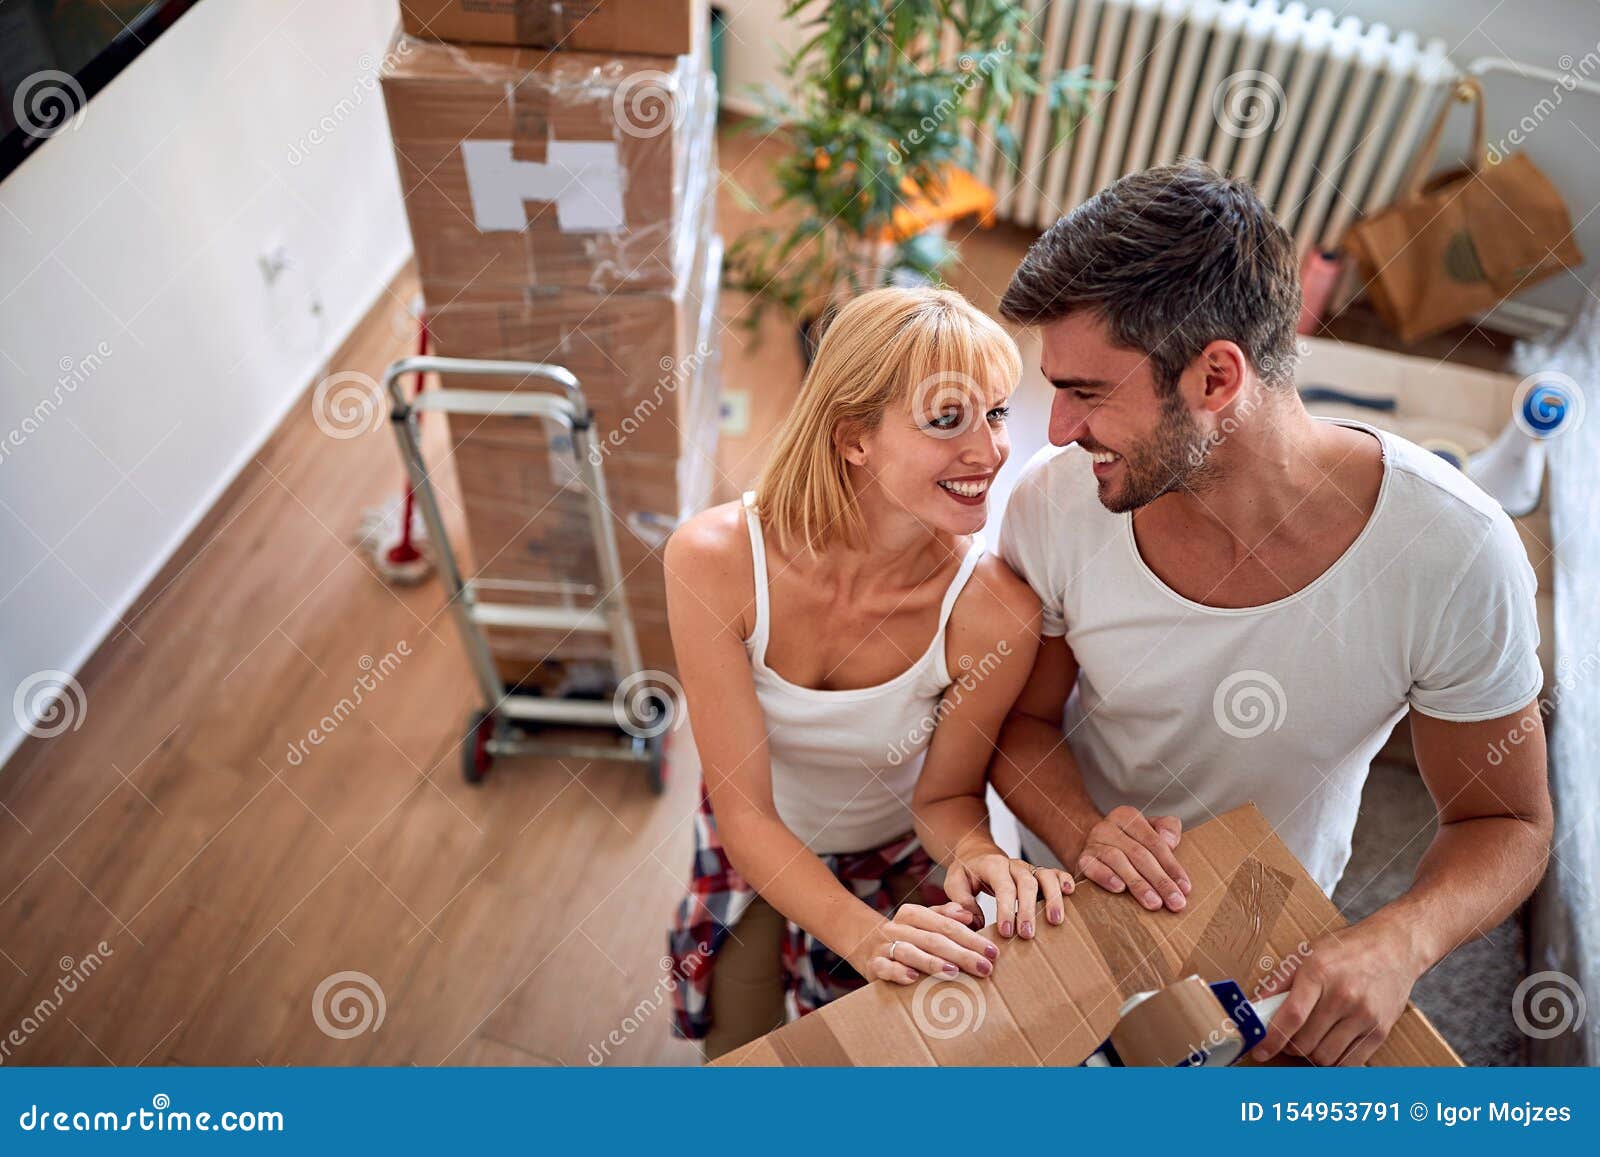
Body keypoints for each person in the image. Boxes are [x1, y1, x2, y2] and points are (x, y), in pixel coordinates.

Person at [978, 160, 1552, 1066]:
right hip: (1060, 899)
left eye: (1087, 392)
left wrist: (1400, 937)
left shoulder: (1456, 552)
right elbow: (1016, 717)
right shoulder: (1055, 507)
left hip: (1266, 939)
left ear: (1215, 378)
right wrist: (1084, 830)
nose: (1052, 430)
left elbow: (1509, 824)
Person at [663, 286, 1068, 1061]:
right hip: (752, 842)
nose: (989, 453)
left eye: (995, 413)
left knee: (851, 1072)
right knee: (736, 1052)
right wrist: (860, 934)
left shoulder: (994, 614)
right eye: (947, 419)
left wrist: (981, 855)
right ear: (855, 439)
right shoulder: (713, 562)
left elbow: (944, 799)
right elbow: (743, 812)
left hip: (896, 859)